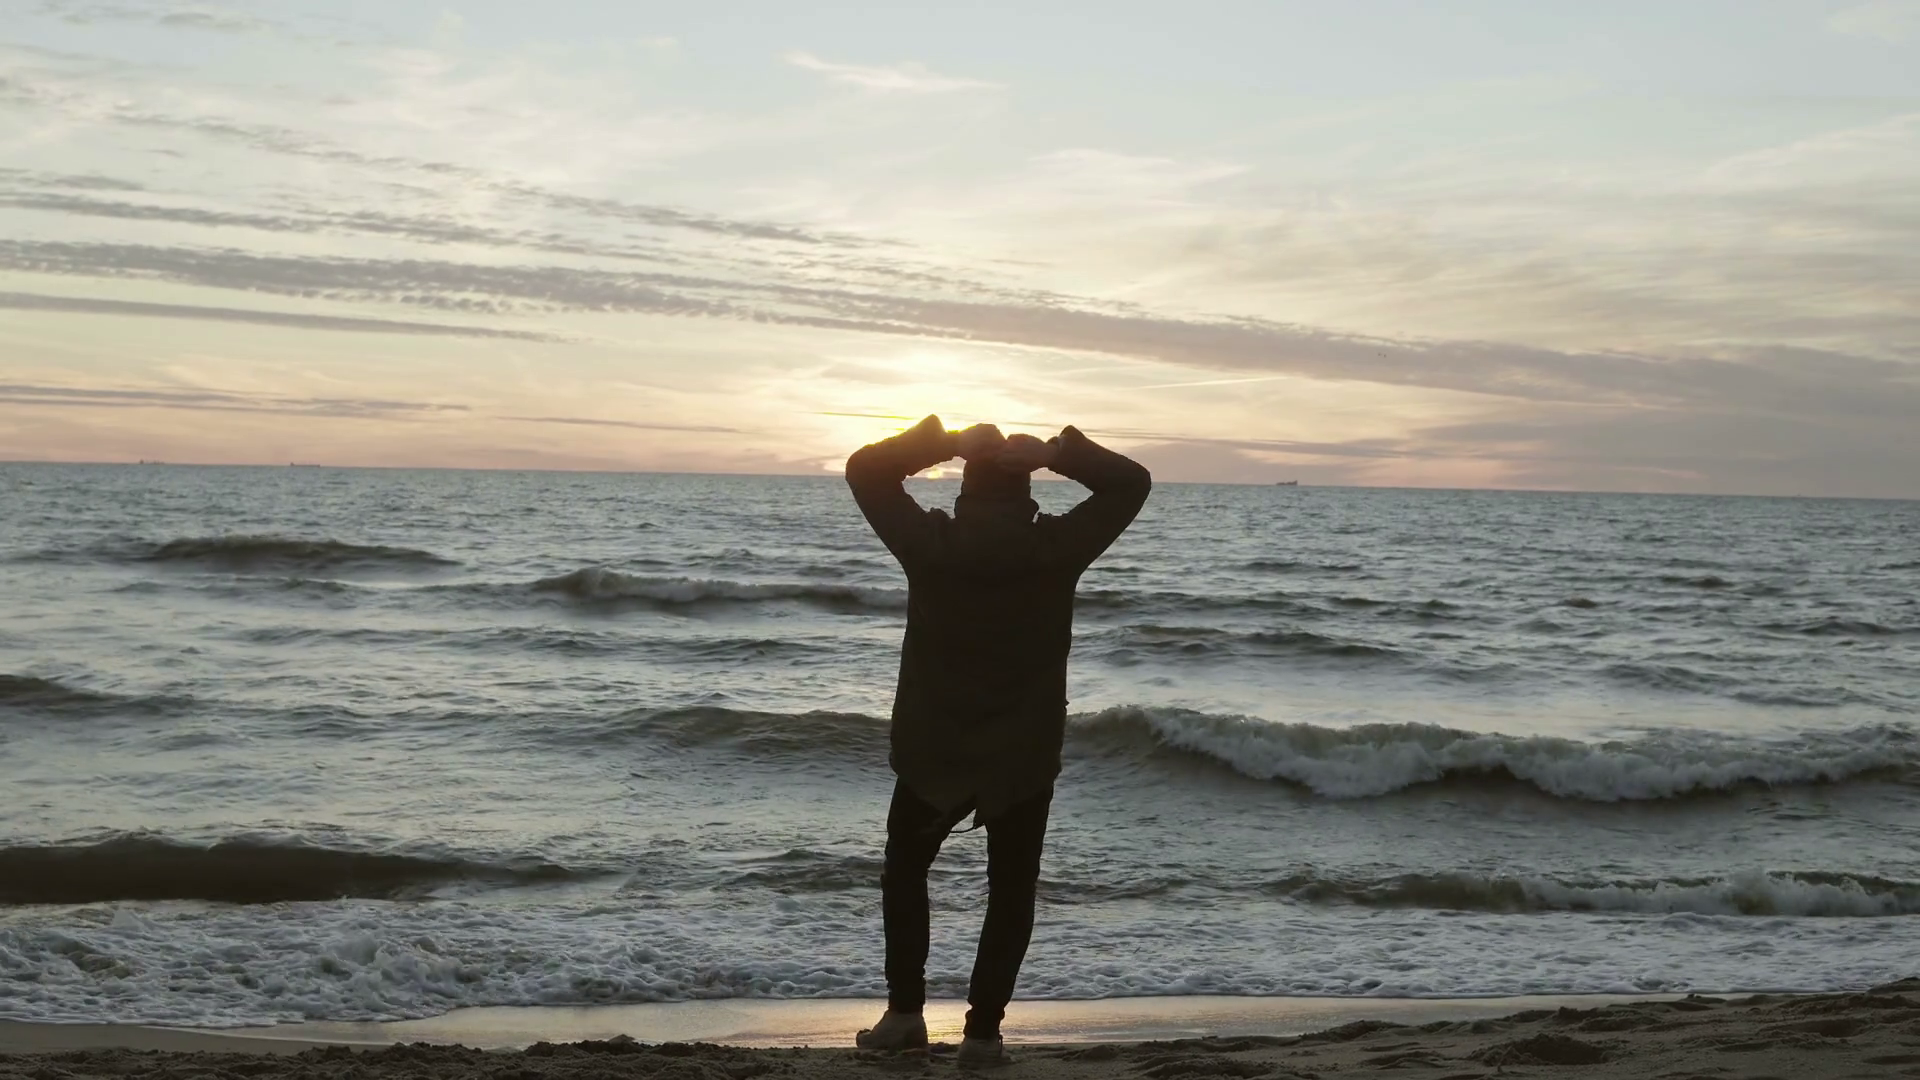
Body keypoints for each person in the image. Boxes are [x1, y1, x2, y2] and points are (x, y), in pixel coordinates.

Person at [843, 415, 1152, 1068]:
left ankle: (904, 1015)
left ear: (964, 484)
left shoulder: (930, 543)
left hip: (935, 748)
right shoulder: (1056, 549)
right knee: (1011, 888)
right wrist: (1058, 452)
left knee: (905, 873)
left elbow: (865, 470)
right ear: (1024, 487)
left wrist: (943, 441)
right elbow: (1130, 484)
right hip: (1023, 752)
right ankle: (983, 1035)